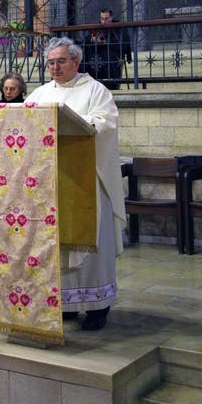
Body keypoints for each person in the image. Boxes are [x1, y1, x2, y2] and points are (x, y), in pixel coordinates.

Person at [29, 36, 126, 331]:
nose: (55, 68)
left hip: (88, 182)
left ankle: (98, 307)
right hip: (53, 185)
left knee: (92, 246)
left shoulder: (96, 91)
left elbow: (106, 124)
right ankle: (67, 304)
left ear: (76, 61)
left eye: (61, 62)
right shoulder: (41, 93)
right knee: (57, 248)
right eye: (50, 63)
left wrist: (79, 123)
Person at [84, 7, 131, 90]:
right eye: (102, 19)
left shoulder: (119, 28)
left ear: (111, 18)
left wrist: (102, 43)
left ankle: (112, 85)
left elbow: (120, 44)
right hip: (97, 59)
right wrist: (92, 39)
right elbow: (87, 39)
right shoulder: (97, 27)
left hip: (113, 57)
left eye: (106, 19)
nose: (103, 21)